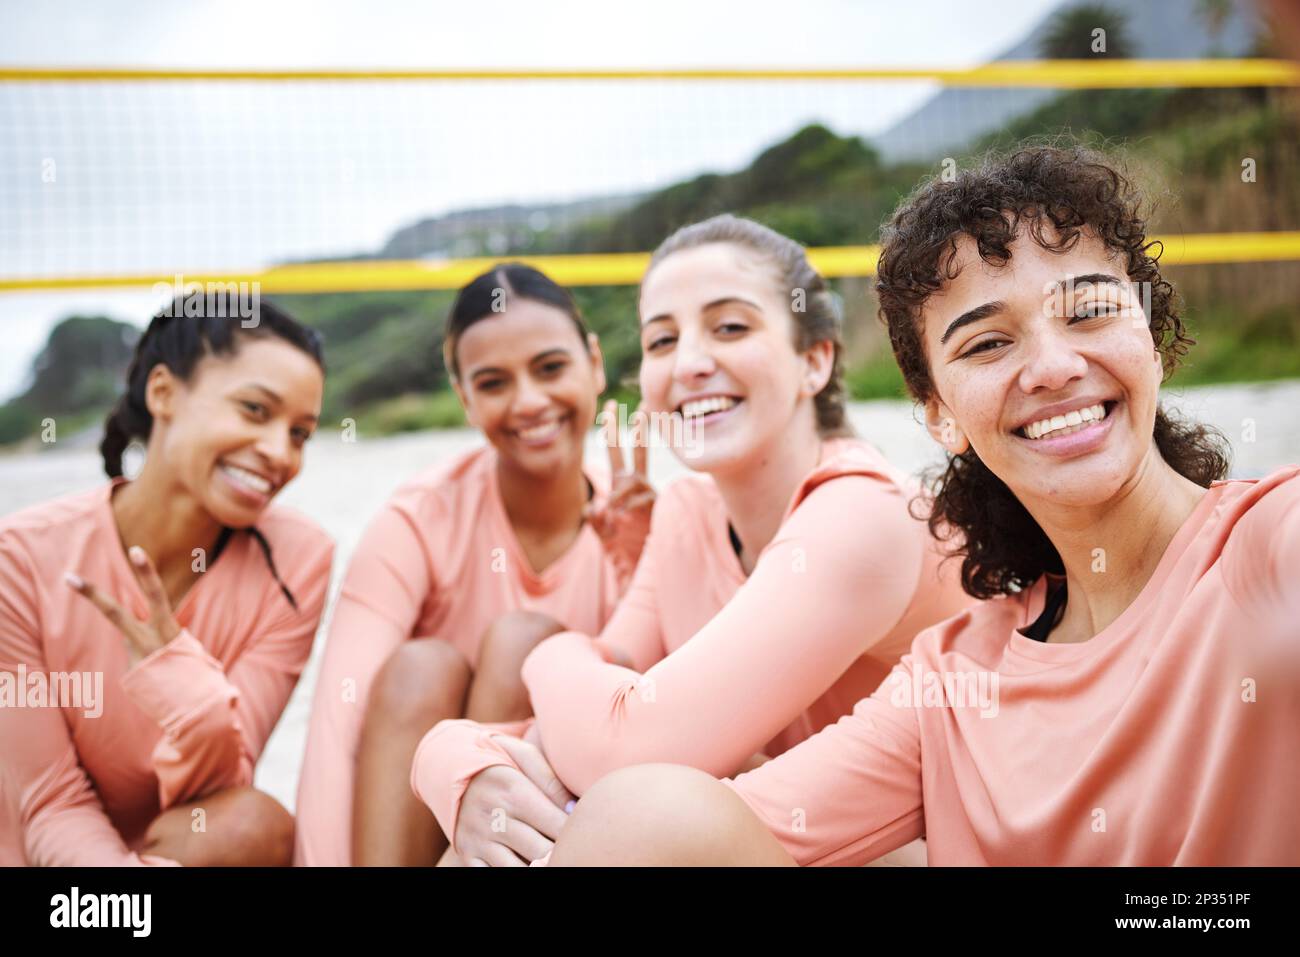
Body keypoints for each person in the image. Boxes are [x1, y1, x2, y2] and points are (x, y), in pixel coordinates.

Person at [545, 146, 1300, 867]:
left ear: (1152, 340)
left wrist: (544, 656)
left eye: (1090, 311)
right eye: (987, 344)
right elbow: (665, 825)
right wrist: (456, 760)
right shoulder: (955, 673)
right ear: (940, 415)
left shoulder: (1268, 543)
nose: (1053, 366)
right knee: (637, 814)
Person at [412, 215, 972, 866]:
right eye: (661, 340)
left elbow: (621, 747)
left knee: (625, 809)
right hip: (757, 831)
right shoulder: (685, 511)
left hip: (911, 853)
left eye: (730, 327)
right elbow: (579, 721)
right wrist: (453, 757)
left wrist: (546, 656)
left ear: (813, 359)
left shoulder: (863, 512)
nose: (690, 363)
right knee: (499, 829)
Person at [294, 263, 652, 866]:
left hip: (569, 827)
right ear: (463, 397)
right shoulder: (419, 519)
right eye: (493, 383)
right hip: (421, 826)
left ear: (594, 362)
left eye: (550, 368)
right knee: (419, 666)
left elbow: (686, 712)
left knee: (526, 644)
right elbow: (338, 724)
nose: (529, 401)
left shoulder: (638, 521)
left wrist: (644, 561)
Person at [0, 291, 332, 866]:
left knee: (251, 823)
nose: (280, 452)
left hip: (176, 851)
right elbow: (50, 802)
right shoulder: (21, 559)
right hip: (50, 861)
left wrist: (178, 676)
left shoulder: (300, 560)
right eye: (255, 410)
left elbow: (223, 784)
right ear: (163, 393)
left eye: (300, 433)